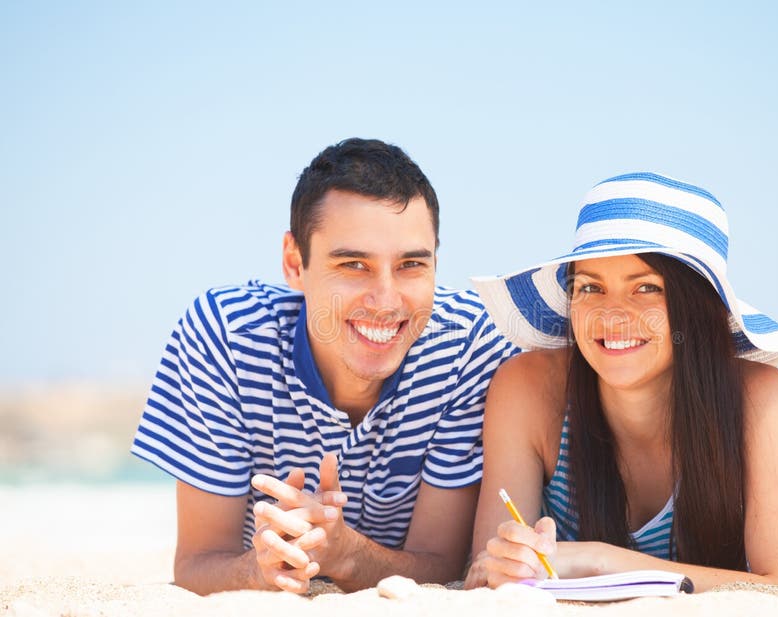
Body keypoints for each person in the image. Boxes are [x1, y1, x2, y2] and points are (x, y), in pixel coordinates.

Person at [131, 138, 517, 594]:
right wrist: (258, 571)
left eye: (412, 264)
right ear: (295, 263)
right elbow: (196, 563)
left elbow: (446, 565)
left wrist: (344, 552)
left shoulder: (467, 345)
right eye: (354, 265)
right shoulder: (226, 336)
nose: (387, 301)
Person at [465, 172, 778, 591]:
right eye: (591, 287)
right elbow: (486, 571)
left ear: (697, 309)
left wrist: (599, 560)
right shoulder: (527, 388)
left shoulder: (759, 399)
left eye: (646, 287)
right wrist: (506, 564)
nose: (611, 316)